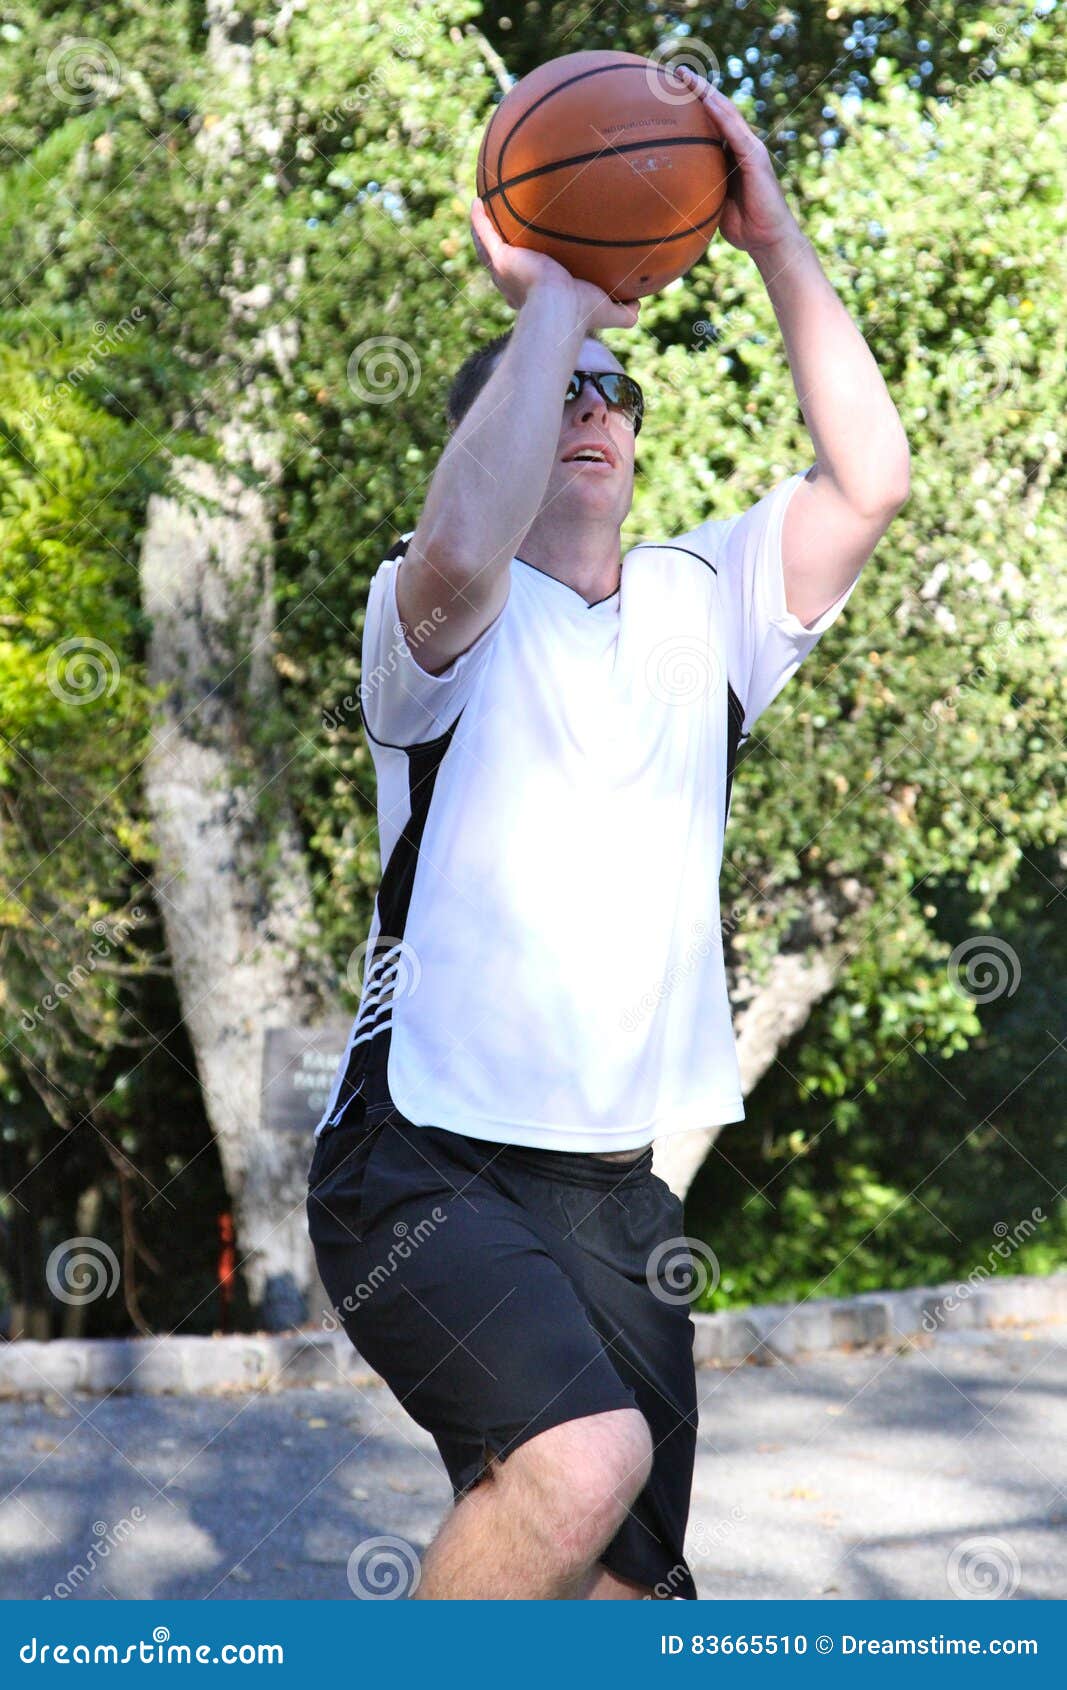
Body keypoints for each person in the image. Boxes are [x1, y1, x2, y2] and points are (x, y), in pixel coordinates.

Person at [307, 69, 910, 1601]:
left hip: (616, 1187)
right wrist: (551, 312)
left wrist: (771, 237)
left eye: (607, 389)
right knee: (584, 1461)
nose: (589, 405)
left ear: (640, 441)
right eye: (557, 388)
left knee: (625, 1596)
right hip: (417, 1157)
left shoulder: (709, 606)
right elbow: (463, 534)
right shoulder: (428, 613)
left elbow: (872, 479)